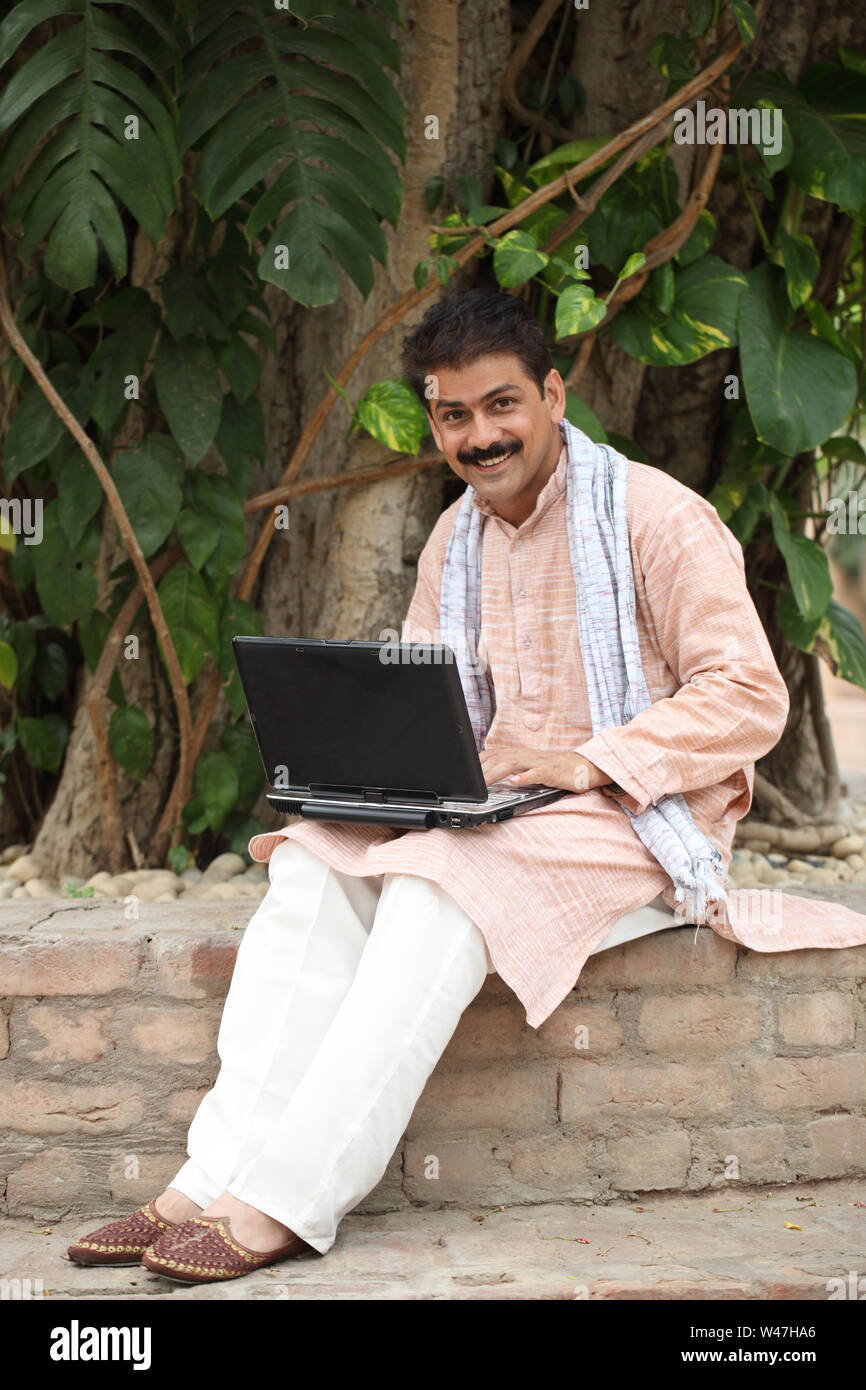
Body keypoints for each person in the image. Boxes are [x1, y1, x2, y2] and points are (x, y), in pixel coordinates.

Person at [67, 289, 866, 1284]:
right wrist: (378, 778)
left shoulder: (655, 516)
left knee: (435, 883)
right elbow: (428, 698)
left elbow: (750, 696)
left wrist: (597, 758)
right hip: (494, 805)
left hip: (634, 813)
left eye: (501, 405)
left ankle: (279, 1201)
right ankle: (206, 1177)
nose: (478, 435)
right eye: (453, 415)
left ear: (551, 394)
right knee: (312, 865)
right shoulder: (457, 541)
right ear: (434, 420)